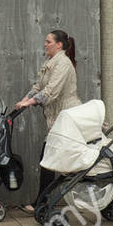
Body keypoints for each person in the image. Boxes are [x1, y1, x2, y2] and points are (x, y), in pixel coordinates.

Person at [14, 29, 82, 212]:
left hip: (66, 116)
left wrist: (30, 102)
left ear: (59, 45)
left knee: (49, 159)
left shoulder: (63, 64)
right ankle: (42, 202)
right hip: (55, 118)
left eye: (48, 41)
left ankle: (42, 203)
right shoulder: (51, 62)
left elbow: (51, 91)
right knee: (49, 160)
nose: (45, 44)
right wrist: (25, 100)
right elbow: (39, 86)